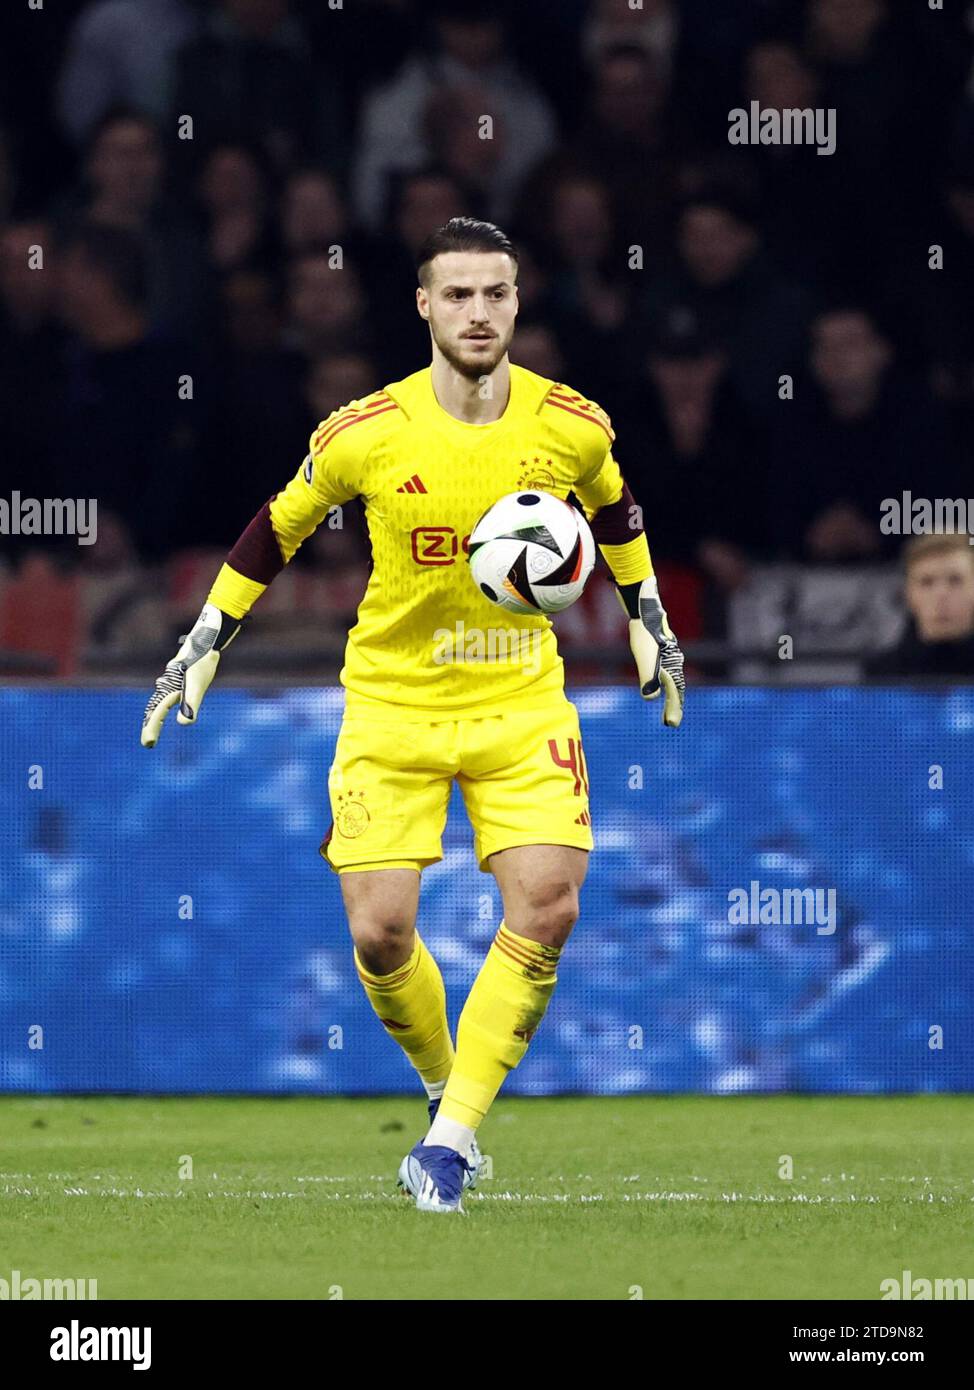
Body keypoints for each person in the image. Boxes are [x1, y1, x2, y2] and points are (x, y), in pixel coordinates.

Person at [140, 217, 685, 1213]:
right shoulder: (366, 432)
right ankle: (447, 1084)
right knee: (382, 933)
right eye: (459, 294)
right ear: (424, 306)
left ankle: (449, 1136)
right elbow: (279, 525)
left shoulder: (570, 422)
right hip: (391, 700)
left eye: (497, 294)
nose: (479, 312)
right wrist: (205, 640)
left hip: (520, 698)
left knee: (549, 905)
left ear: (517, 305)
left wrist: (647, 615)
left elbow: (615, 507)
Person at [867, 533, 974, 677]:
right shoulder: (881, 673)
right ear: (908, 594)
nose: (941, 594)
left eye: (955, 580)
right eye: (926, 582)